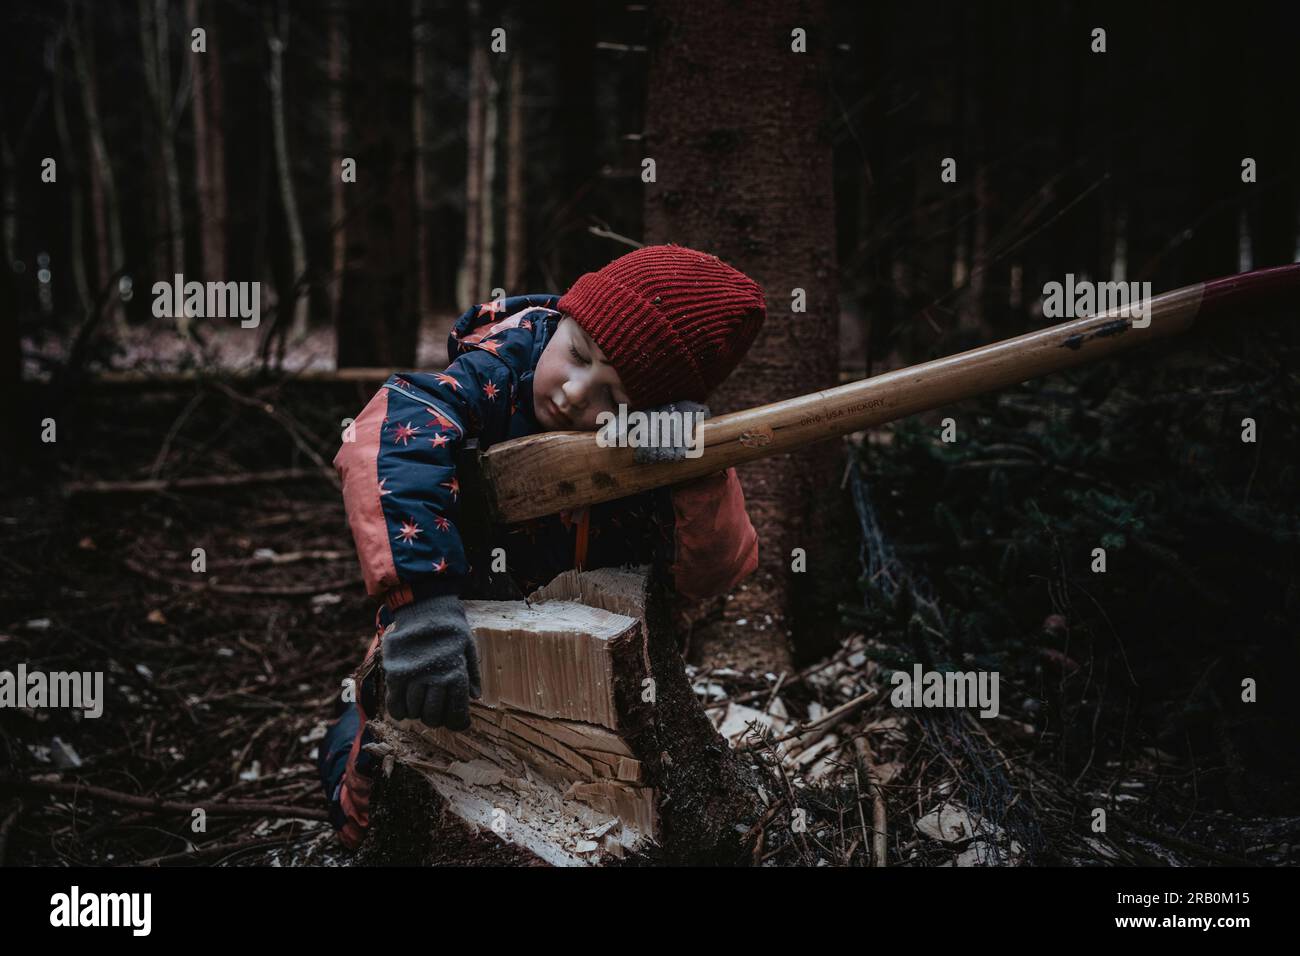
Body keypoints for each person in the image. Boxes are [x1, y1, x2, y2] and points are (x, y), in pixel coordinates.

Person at [318, 244, 767, 848]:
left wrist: (697, 470)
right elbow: (386, 437)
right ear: (561, 320)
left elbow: (715, 571)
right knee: (372, 802)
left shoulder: (656, 442)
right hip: (450, 641)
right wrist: (421, 602)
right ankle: (346, 747)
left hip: (588, 684)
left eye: (616, 395)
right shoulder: (494, 375)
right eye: (578, 355)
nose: (577, 394)